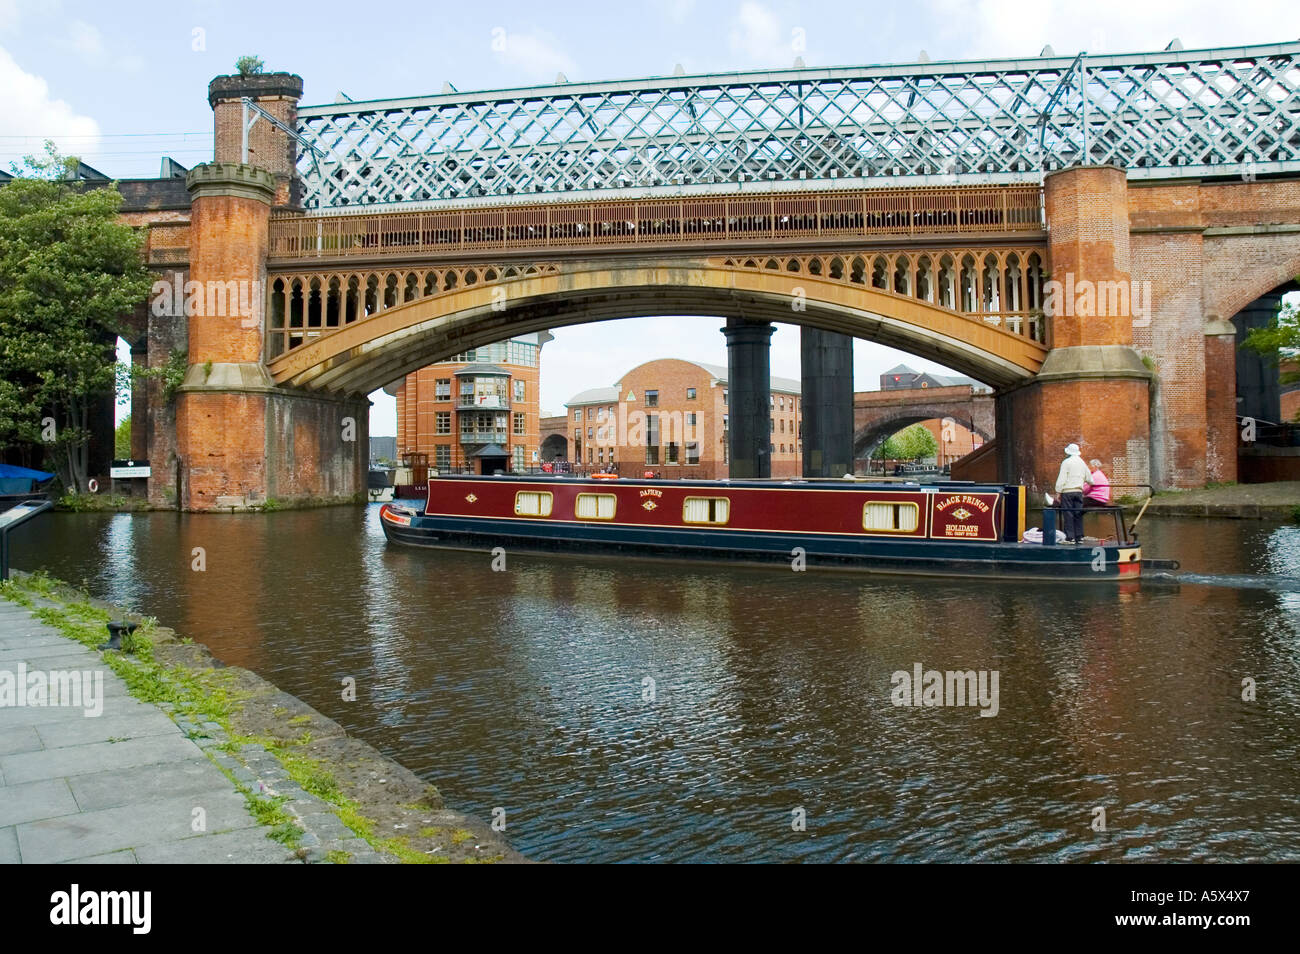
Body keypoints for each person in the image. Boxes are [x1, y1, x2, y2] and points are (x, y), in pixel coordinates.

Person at [1054, 442, 1090, 543]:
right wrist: (1089, 483)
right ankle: (1080, 536)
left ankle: (1070, 537)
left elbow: (1062, 478)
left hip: (1068, 492)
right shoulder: (1082, 462)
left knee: (1068, 514)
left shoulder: (1066, 462)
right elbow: (1089, 478)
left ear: (1068, 452)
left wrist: (1058, 491)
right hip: (1078, 492)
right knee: (1078, 514)